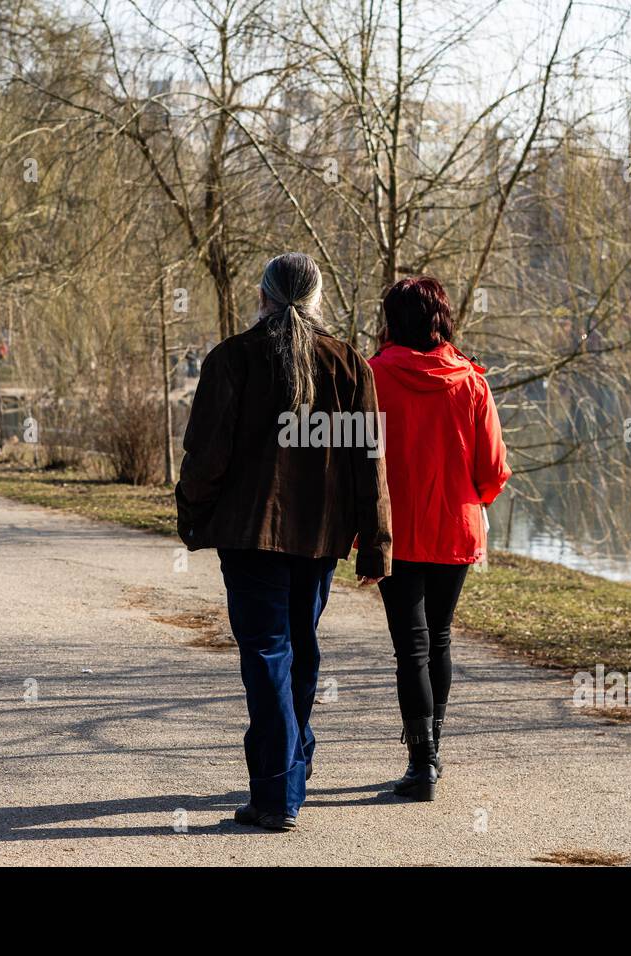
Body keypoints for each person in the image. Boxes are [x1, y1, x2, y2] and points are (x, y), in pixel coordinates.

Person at [176, 252, 391, 831]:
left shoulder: (232, 360)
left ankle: (276, 793)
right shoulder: (349, 364)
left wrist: (192, 517)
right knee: (298, 651)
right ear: (318, 298)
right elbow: (368, 463)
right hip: (319, 537)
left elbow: (206, 455)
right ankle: (291, 771)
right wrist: (375, 544)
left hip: (249, 537)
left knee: (269, 654)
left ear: (263, 296)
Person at [369, 276, 510, 801]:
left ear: (392, 320)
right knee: (440, 637)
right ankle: (432, 754)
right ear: (441, 319)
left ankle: (421, 762)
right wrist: (470, 499)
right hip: (454, 525)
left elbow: (358, 459)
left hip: (395, 532)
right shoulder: (471, 381)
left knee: (412, 647)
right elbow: (493, 468)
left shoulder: (374, 376)